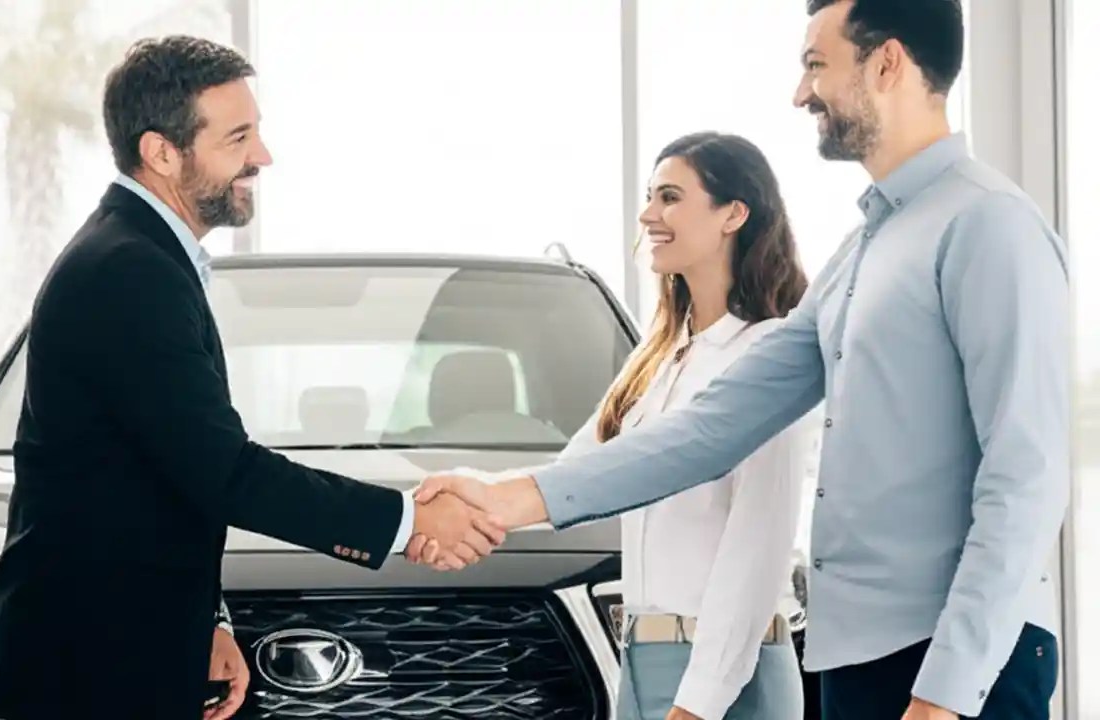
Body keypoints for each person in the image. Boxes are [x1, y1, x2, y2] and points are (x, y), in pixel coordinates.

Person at [415, 2, 1069, 719]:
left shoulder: (989, 226)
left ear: (887, 63)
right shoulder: (862, 252)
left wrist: (942, 696)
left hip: (954, 667)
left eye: (816, 66)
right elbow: (712, 426)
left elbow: (1025, 480)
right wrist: (508, 496)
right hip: (858, 659)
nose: (800, 94)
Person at [0, 36, 503, 720]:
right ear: (162, 152)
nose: (263, 156)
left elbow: (159, 478)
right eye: (239, 137)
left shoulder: (142, 255)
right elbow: (223, 473)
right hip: (90, 675)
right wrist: (408, 520)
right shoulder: (127, 271)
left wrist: (207, 620)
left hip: (121, 657)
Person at [424, 132, 813, 719]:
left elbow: (756, 555)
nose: (648, 214)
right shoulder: (657, 356)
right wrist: (452, 504)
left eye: (671, 197)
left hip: (727, 672)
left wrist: (698, 705)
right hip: (641, 658)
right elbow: (583, 477)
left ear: (734, 212)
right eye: (651, 196)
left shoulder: (771, 354)